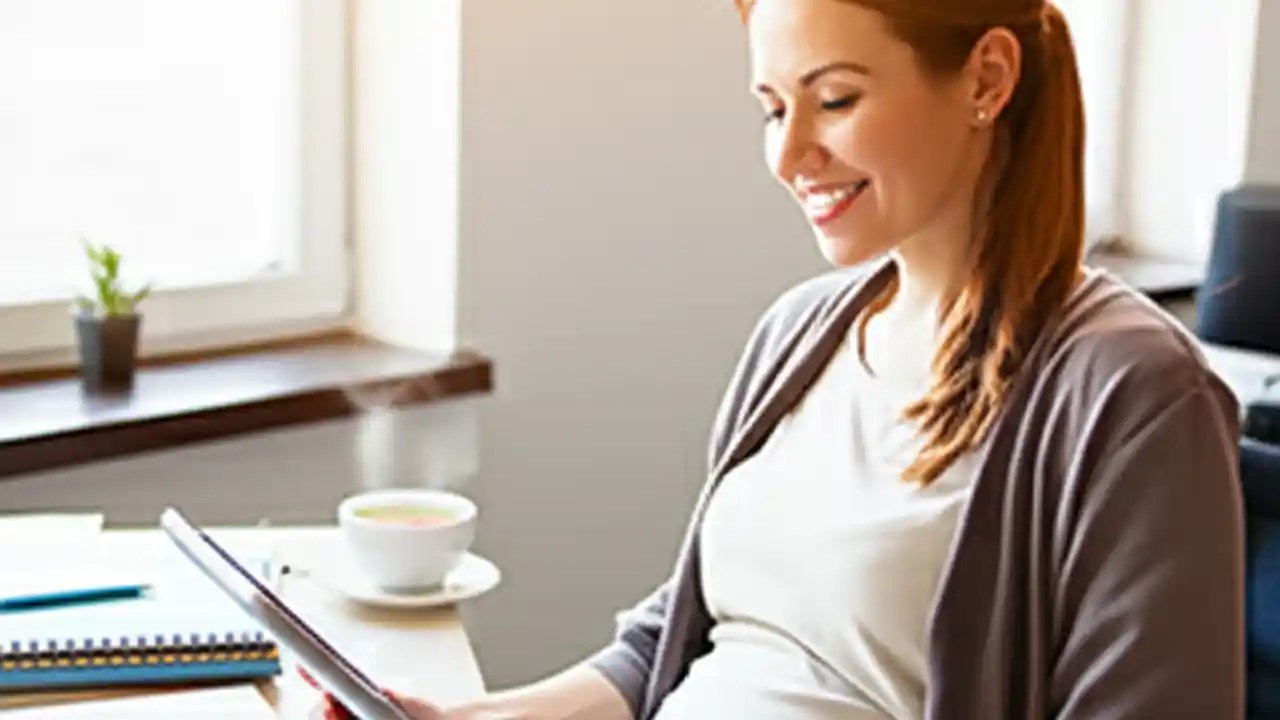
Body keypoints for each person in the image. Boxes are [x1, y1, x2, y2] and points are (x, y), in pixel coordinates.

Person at [321, 0, 1245, 717]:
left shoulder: (1134, 395)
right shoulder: (803, 333)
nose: (790, 153)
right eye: (772, 108)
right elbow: (675, 645)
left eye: (835, 99)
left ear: (987, 78)